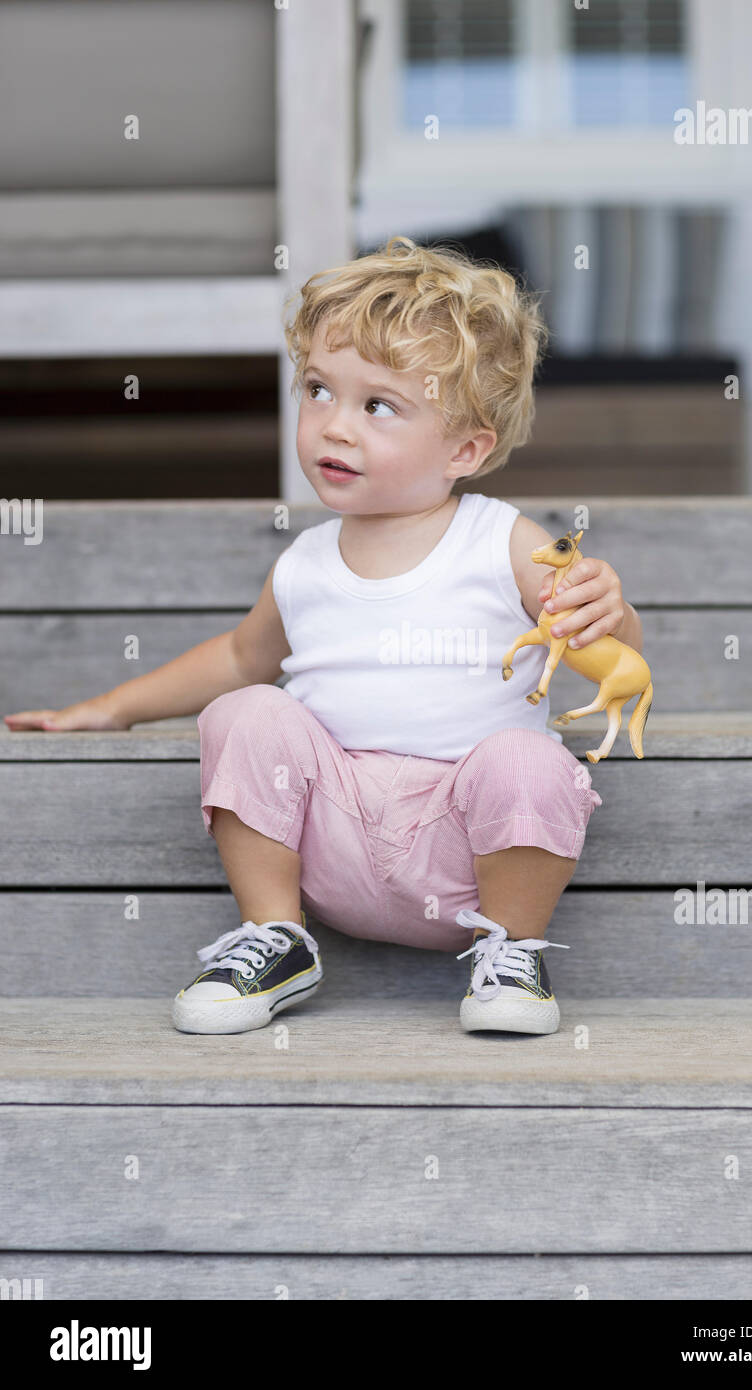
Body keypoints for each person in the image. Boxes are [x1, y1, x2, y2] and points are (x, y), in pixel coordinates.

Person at [4, 236, 644, 1038]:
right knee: (246, 712)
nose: (333, 427)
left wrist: (606, 610)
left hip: (463, 843)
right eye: (318, 390)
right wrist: (112, 709)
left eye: (377, 405)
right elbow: (242, 656)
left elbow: (609, 653)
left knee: (530, 762)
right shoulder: (306, 561)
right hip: (332, 834)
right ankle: (277, 935)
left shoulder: (503, 540)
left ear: (465, 448)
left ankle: (512, 954)